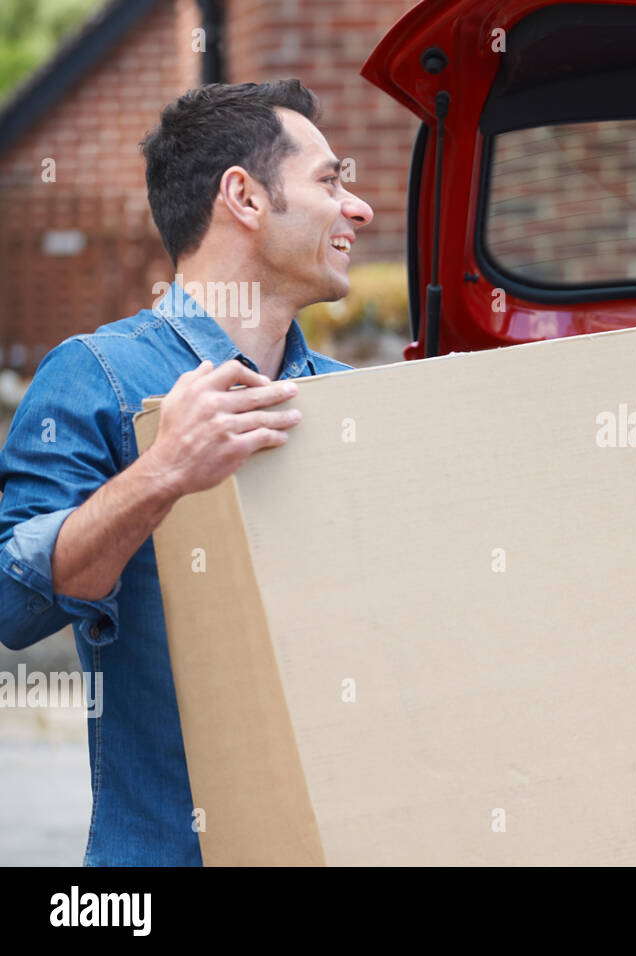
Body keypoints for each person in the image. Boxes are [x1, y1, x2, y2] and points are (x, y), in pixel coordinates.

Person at [0, 79, 373, 865]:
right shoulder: (95, 374)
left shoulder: (352, 399)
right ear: (243, 196)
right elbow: (12, 605)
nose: (359, 209)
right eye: (330, 182)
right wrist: (162, 471)